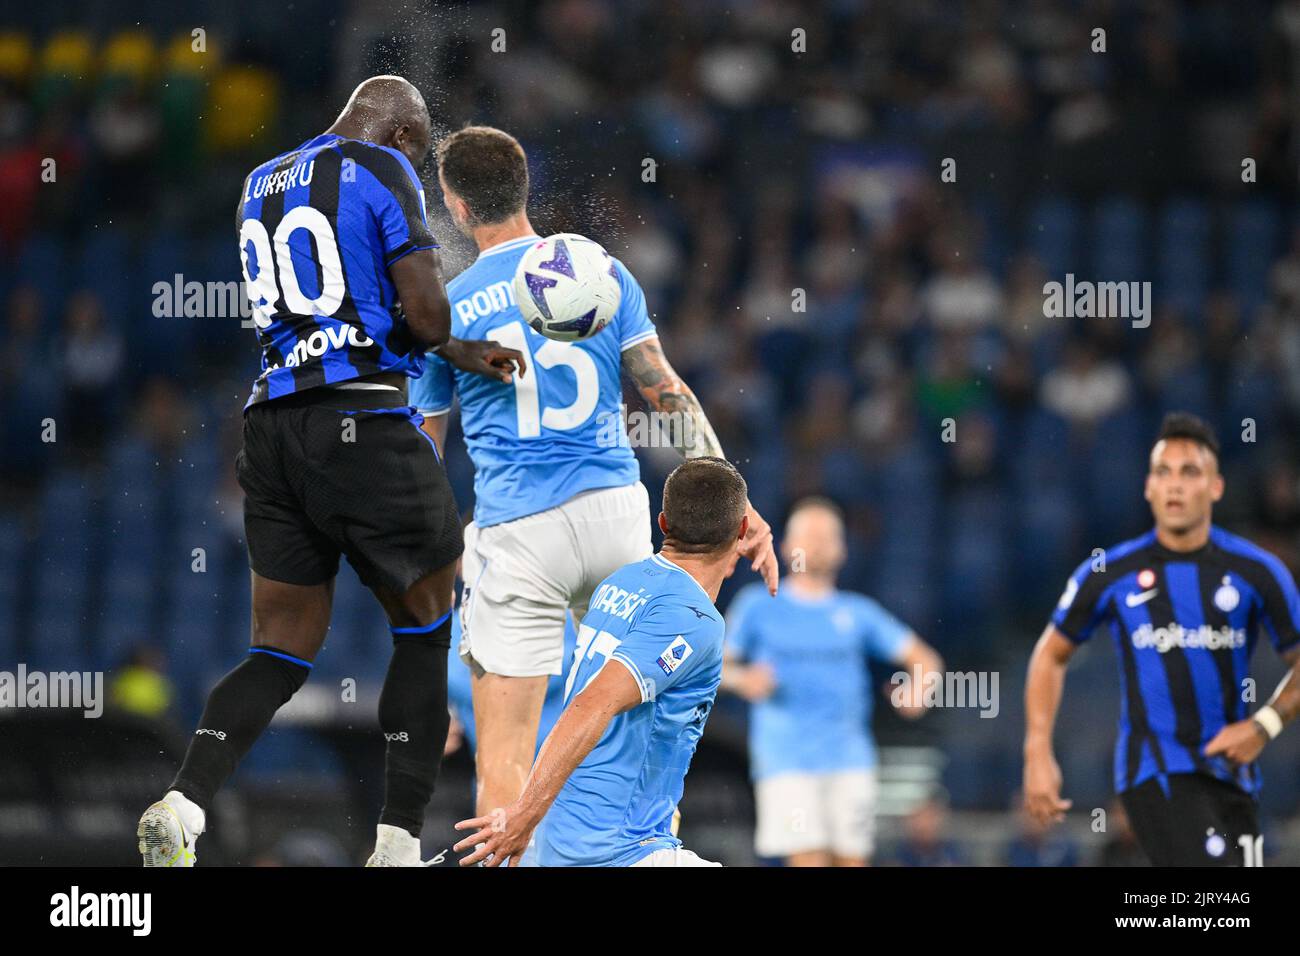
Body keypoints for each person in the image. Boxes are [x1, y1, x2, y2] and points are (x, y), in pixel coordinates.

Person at [137, 76, 523, 868]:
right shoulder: (384, 169)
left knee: (277, 652)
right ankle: (395, 844)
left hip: (272, 432)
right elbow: (424, 315)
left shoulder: (258, 180)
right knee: (425, 627)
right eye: (418, 148)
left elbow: (334, 312)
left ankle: (184, 803)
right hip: (363, 424)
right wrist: (450, 336)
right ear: (403, 135)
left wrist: (451, 353)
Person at [410, 125, 778, 823]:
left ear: (455, 208)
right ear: (525, 189)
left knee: (507, 762)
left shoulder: (448, 309)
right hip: (616, 514)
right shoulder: (603, 272)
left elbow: (424, 452)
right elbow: (663, 390)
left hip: (520, 534)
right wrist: (735, 498)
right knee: (629, 730)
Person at [1024, 411, 1300, 866]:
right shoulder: (1110, 573)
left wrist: (1264, 726)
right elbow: (1051, 654)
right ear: (1148, 487)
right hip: (1155, 772)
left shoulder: (1257, 571)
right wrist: (1037, 750)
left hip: (1234, 777)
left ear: (1215, 487)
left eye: (1189, 472)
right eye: (1162, 472)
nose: (1174, 484)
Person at [451, 457, 747, 866]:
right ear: (741, 531)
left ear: (662, 523)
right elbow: (593, 703)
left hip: (567, 841)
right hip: (618, 850)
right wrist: (523, 816)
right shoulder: (694, 619)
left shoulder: (620, 582)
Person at [723, 497, 942, 866]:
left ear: (842, 549)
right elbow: (715, 668)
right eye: (809, 534)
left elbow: (925, 660)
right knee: (808, 859)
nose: (819, 543)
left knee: (852, 860)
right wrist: (743, 679)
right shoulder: (757, 606)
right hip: (786, 761)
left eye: (828, 536)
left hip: (850, 761)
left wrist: (917, 692)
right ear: (788, 545)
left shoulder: (857, 613)